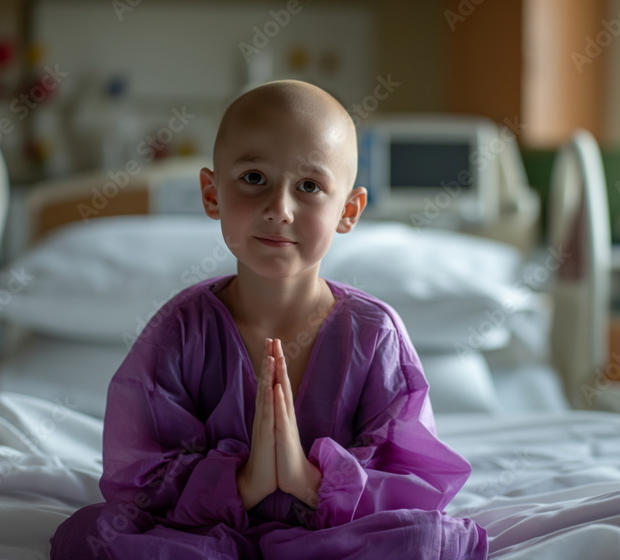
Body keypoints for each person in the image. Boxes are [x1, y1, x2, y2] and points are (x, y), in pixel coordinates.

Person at [50, 80, 488, 559]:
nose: (279, 209)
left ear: (348, 211)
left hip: (334, 533)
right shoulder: (180, 331)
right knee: (97, 536)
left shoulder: (373, 335)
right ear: (212, 194)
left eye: (309, 187)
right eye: (254, 178)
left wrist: (309, 480)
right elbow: (138, 477)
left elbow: (411, 481)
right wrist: (244, 482)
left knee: (425, 538)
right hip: (200, 533)